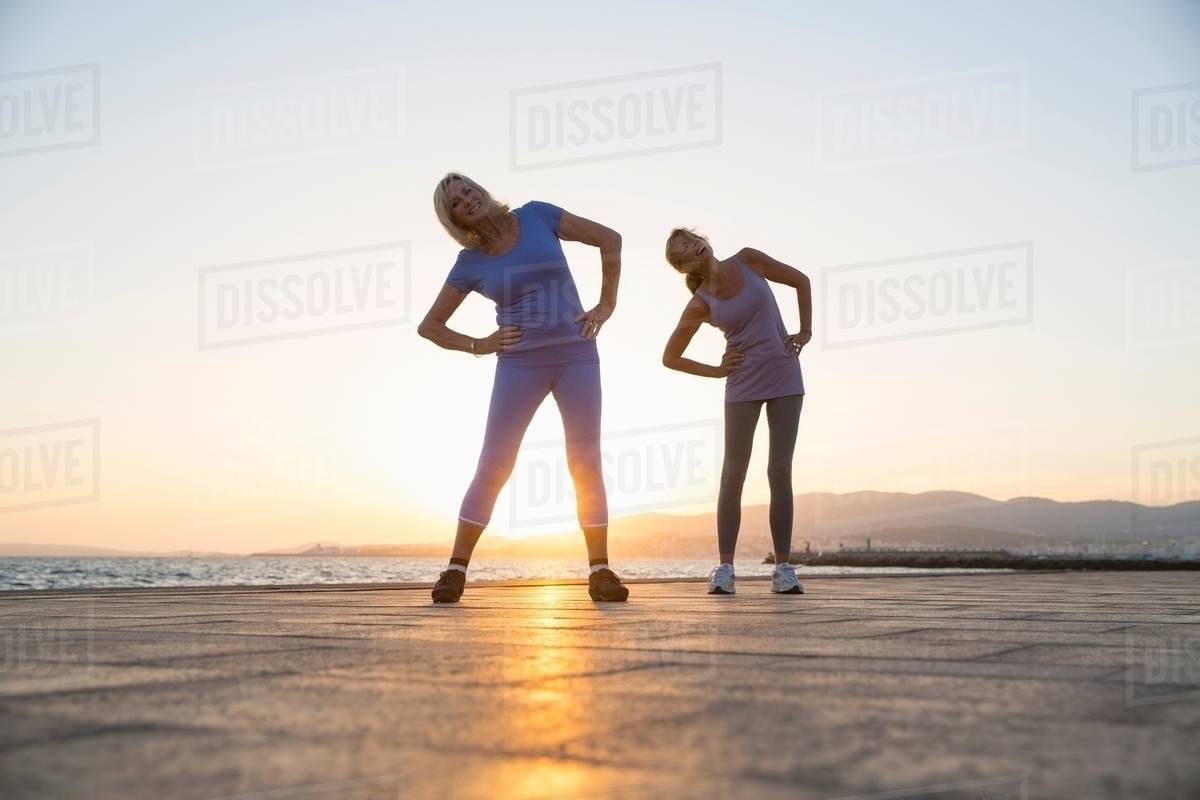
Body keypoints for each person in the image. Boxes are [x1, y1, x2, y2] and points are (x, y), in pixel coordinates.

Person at [418, 172, 628, 603]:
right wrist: (479, 344)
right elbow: (430, 327)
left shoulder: (538, 215)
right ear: (454, 217)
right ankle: (455, 570)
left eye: (469, 190)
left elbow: (610, 239)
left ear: (482, 190)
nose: (468, 199)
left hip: (577, 356)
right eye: (457, 202)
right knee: (494, 463)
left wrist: (606, 304)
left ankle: (601, 571)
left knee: (584, 460)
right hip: (518, 364)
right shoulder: (470, 263)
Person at [661, 228, 811, 595]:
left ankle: (783, 569)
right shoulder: (700, 303)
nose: (695, 245)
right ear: (684, 266)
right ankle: (725, 568)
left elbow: (801, 281)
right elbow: (670, 357)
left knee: (780, 470)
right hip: (742, 384)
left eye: (693, 239)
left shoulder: (748, 259)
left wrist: (805, 331)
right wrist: (717, 370)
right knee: (733, 475)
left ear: (706, 242)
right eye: (684, 249)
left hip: (785, 376)